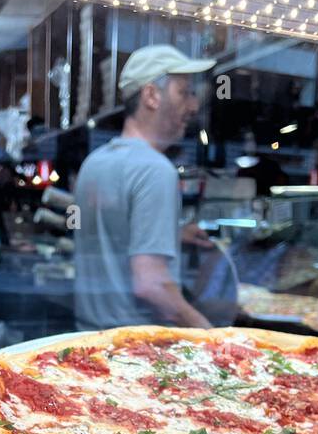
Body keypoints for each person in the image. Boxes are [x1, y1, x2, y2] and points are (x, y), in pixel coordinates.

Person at [74, 45, 216, 330]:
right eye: (184, 92)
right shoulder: (155, 170)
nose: (193, 105)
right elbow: (152, 286)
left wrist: (173, 235)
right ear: (151, 95)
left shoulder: (94, 162)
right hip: (135, 349)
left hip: (88, 339)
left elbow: (113, 238)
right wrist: (214, 337)